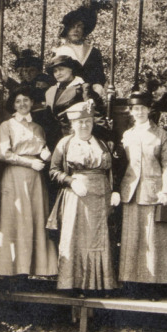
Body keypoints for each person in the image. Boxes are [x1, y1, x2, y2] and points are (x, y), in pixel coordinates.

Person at [50, 101, 119, 295]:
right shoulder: (65, 143)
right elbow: (53, 171)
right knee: (76, 238)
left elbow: (112, 170)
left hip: (101, 197)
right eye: (79, 122)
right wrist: (71, 181)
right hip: (77, 197)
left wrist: (114, 190)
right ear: (72, 124)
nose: (84, 125)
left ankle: (100, 285)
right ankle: (73, 284)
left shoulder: (103, 143)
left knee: (99, 238)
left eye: (87, 121)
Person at [117, 91, 167, 294]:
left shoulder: (161, 134)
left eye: (143, 108)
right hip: (131, 191)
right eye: (136, 109)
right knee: (132, 238)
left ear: (149, 110)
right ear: (131, 111)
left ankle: (152, 286)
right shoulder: (127, 135)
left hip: (154, 192)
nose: (140, 112)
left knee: (152, 240)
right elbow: (121, 164)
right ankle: (131, 285)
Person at [0, 88, 59, 282]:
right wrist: (30, 162)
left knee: (35, 218)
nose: (22, 104)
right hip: (15, 176)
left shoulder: (38, 127)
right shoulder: (6, 125)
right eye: (18, 101)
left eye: (26, 100)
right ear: (13, 105)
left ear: (32, 103)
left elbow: (42, 150)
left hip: (35, 179)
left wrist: (45, 155)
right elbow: (3, 153)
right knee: (17, 219)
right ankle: (14, 270)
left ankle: (36, 268)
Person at [52, 8, 108, 101]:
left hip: (90, 95)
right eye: (72, 27)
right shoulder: (60, 51)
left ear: (84, 29)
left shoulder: (93, 51)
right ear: (67, 29)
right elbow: (54, 76)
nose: (76, 30)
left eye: (79, 26)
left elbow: (99, 76)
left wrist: (97, 86)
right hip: (66, 96)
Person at [40, 54, 94, 141]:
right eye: (55, 71)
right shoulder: (50, 91)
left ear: (71, 69)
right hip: (52, 137)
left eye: (61, 69)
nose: (58, 73)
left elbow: (94, 114)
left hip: (74, 135)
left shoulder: (82, 88)